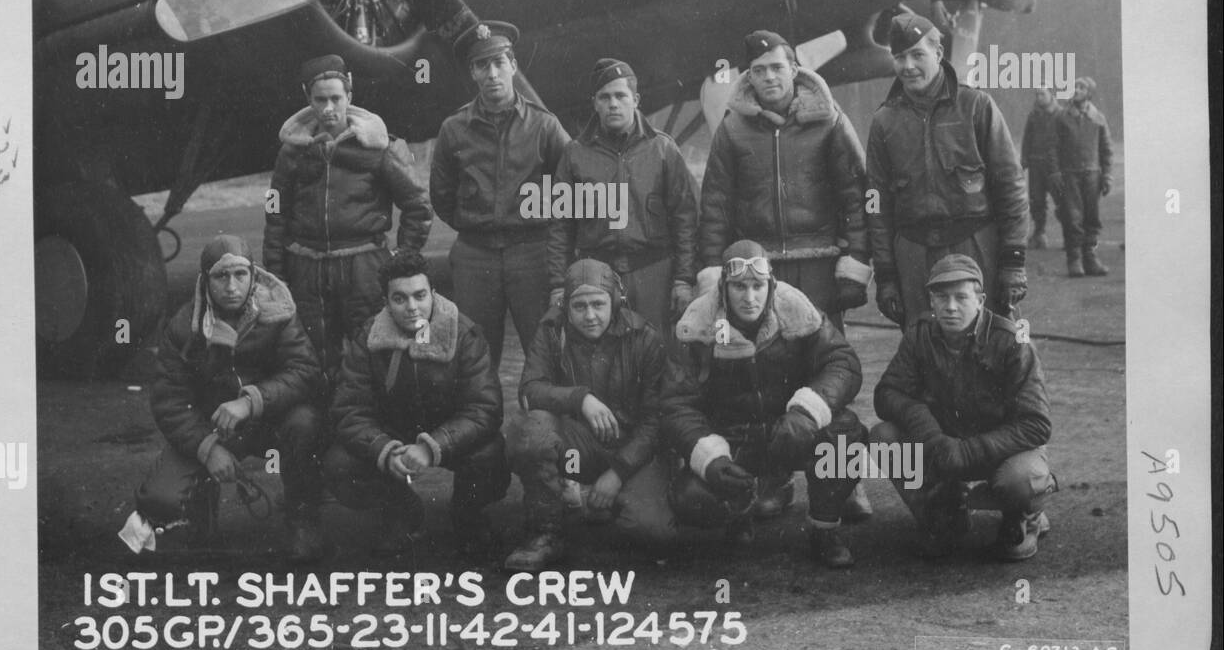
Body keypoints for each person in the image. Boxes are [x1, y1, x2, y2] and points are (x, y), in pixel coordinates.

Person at [698, 31, 873, 520]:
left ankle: (843, 480)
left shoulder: (829, 120)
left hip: (819, 266)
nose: (769, 77)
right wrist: (713, 273)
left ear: (794, 69)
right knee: (762, 370)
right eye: (758, 70)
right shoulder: (733, 129)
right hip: (759, 272)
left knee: (830, 368)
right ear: (748, 77)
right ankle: (774, 475)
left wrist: (855, 262)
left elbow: (855, 197)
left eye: (777, 67)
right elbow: (714, 207)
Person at [121, 235, 328, 562]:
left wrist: (251, 400)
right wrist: (208, 448)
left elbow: (305, 371)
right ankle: (200, 522)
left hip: (266, 423)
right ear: (205, 280)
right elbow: (168, 401)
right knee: (162, 501)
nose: (232, 286)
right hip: (212, 429)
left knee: (304, 423)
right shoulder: (184, 327)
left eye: (240, 275)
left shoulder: (279, 313)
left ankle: (302, 518)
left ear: (254, 277)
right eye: (221, 276)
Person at [662, 241, 867, 568]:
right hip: (733, 438)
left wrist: (806, 411)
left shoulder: (796, 309)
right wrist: (710, 458)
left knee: (845, 434)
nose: (749, 297)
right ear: (723, 288)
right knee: (691, 498)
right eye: (739, 287)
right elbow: (676, 404)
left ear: (770, 285)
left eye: (758, 286)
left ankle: (825, 529)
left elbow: (842, 363)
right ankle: (738, 511)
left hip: (789, 429)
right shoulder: (697, 324)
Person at [324, 251, 510, 557]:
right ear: (386, 300)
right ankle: (398, 507)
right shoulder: (367, 338)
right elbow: (349, 409)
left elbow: (484, 408)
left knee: (490, 455)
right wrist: (384, 449)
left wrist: (431, 447)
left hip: (447, 434)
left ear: (433, 294)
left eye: (420, 296)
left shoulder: (464, 334)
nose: (412, 307)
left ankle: (467, 515)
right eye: (400, 299)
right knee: (340, 464)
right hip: (392, 435)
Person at [872, 255, 1057, 560]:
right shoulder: (920, 334)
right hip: (944, 444)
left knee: (1020, 479)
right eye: (941, 297)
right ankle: (943, 514)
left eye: (961, 297)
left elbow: (1036, 424)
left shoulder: (1012, 342)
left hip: (1002, 449)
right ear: (931, 300)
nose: (950, 307)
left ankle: (1025, 519)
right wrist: (929, 432)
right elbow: (888, 393)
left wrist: (969, 451)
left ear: (981, 300)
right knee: (884, 437)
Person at [263, 54, 432, 384]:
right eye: (320, 99)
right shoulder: (291, 151)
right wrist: (276, 272)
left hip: (363, 267)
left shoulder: (380, 148)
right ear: (307, 98)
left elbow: (418, 206)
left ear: (349, 96)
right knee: (312, 356)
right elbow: (275, 211)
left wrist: (402, 258)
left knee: (371, 352)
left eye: (336, 98)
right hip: (307, 269)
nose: (328, 108)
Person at [505, 258, 676, 571]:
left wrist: (617, 475)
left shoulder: (644, 337)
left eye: (598, 304)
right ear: (566, 306)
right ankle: (546, 532)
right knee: (530, 428)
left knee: (653, 531)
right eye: (579, 306)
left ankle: (603, 499)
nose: (590, 315)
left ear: (615, 301)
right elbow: (530, 389)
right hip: (578, 448)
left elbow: (655, 421)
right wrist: (580, 398)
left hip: (631, 450)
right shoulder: (552, 330)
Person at [866, 12, 1030, 327]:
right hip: (914, 253)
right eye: (900, 57)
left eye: (917, 54)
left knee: (993, 340)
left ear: (939, 54)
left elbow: (1010, 185)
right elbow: (874, 200)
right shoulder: (883, 122)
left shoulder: (976, 107)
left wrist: (1013, 260)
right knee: (923, 347)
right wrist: (886, 273)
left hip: (975, 242)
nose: (908, 66)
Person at [431, 21, 570, 367]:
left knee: (546, 350)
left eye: (499, 63)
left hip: (532, 252)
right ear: (473, 73)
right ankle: (482, 420)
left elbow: (572, 186)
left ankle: (549, 418)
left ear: (513, 66)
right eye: (482, 65)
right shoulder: (454, 129)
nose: (492, 74)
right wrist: (478, 222)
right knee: (475, 355)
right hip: (476, 256)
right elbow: (442, 195)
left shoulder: (544, 125)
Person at [547, 58, 698, 336]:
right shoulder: (575, 155)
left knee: (656, 356)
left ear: (636, 99)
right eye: (604, 97)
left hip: (654, 273)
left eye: (620, 96)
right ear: (595, 103)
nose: (613, 104)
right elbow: (560, 225)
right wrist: (559, 283)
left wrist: (683, 280)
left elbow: (685, 220)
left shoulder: (663, 149)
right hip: (597, 277)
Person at [1055, 76, 1115, 278]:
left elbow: (1106, 150)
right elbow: (1053, 148)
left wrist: (1107, 177)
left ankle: (1090, 258)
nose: (1076, 90)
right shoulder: (1062, 117)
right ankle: (1074, 260)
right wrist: (1055, 172)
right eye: (1074, 87)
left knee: (1092, 218)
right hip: (1069, 175)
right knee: (1073, 218)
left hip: (1092, 175)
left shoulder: (1098, 118)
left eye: (1081, 87)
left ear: (1089, 93)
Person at [1020, 87, 1067, 250]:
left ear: (1051, 95)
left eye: (1042, 94)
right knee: (1036, 201)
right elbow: (1027, 138)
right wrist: (1024, 159)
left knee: (1062, 201)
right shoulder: (1033, 115)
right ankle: (1039, 234)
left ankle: (1068, 236)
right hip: (1036, 164)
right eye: (1037, 94)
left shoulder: (1061, 114)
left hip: (1055, 167)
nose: (1039, 97)